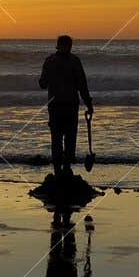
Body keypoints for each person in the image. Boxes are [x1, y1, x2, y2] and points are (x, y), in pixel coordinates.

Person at [38, 35, 92, 179]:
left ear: (58, 45)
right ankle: (66, 168)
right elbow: (82, 85)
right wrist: (89, 103)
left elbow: (42, 84)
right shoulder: (74, 61)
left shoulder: (49, 61)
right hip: (69, 105)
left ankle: (58, 169)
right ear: (69, 46)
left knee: (57, 137)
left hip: (56, 105)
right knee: (69, 136)